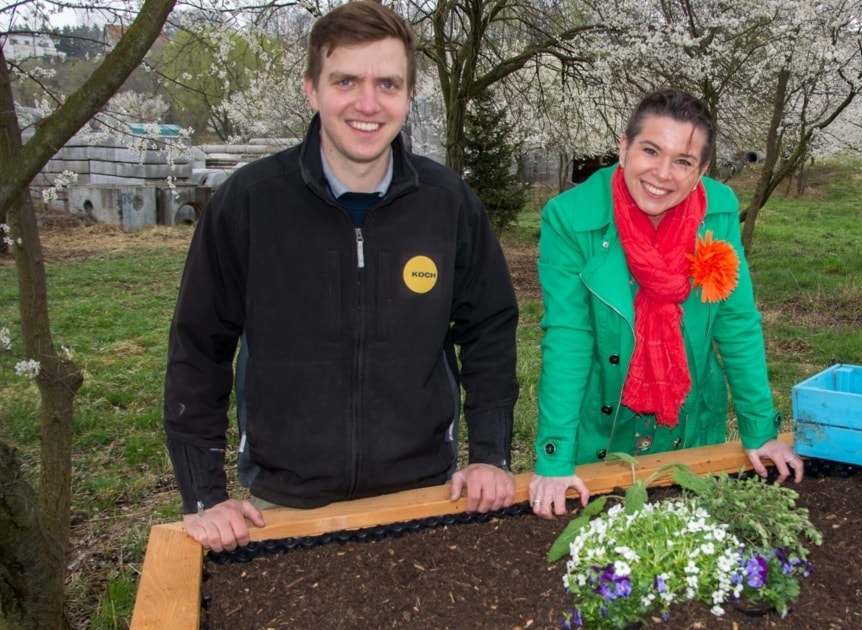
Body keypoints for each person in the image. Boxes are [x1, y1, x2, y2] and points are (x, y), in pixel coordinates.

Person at [163, 1, 519, 552]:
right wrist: (204, 495)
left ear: (409, 95)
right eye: (346, 81)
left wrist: (492, 455)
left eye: (388, 84)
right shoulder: (249, 204)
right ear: (312, 89)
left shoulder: (449, 205)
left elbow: (489, 330)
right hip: (284, 505)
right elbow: (198, 347)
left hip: (423, 494)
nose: (367, 104)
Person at [529, 89, 803, 519]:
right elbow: (569, 338)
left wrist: (759, 429)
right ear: (624, 147)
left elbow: (736, 323)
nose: (662, 174)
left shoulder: (718, 214)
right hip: (603, 423)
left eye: (683, 161)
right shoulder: (570, 218)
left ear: (702, 171)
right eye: (651, 151)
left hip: (690, 426)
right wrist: (554, 459)